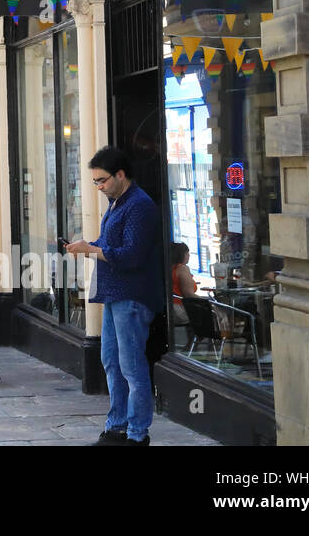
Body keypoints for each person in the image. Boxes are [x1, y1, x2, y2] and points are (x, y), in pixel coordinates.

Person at [65, 146, 164, 447]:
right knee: (111, 361)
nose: (98, 187)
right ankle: (116, 427)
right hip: (114, 296)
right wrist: (89, 245)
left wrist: (92, 250)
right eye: (95, 181)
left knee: (132, 367)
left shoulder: (139, 205)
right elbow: (112, 245)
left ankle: (137, 435)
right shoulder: (118, 201)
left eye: (102, 180)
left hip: (132, 297)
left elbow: (131, 256)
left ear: (121, 175)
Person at [170, 242, 199, 326]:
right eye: (187, 253)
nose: (189, 255)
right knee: (217, 311)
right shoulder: (182, 268)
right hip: (180, 310)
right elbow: (189, 294)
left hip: (170, 309)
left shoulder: (169, 268)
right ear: (181, 255)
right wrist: (209, 302)